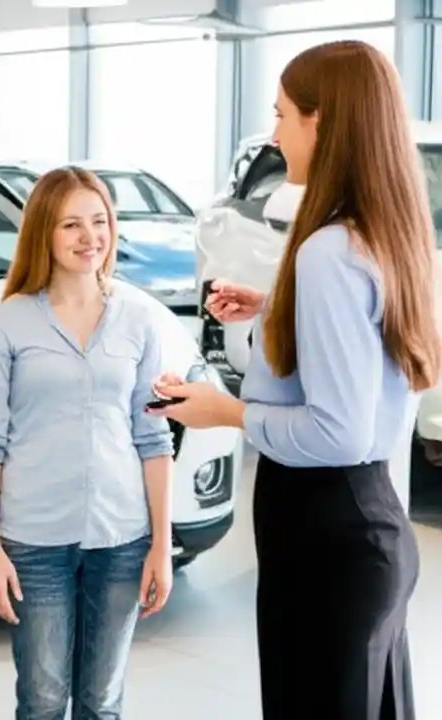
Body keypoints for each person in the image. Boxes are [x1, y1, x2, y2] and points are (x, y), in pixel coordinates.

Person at [149, 40, 439, 720]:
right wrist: (279, 308)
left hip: (326, 537)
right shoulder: (385, 234)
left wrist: (224, 411)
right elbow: (364, 354)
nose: (275, 135)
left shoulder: (329, 251)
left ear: (322, 121)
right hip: (367, 529)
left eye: (282, 115)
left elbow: (338, 433)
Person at [0, 167, 176, 719]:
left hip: (121, 536)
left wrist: (161, 544)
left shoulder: (138, 318)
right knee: (42, 700)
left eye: (99, 221)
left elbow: (153, 437)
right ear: (44, 232)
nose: (90, 237)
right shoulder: (8, 323)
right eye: (71, 225)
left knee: (102, 701)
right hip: (33, 539)